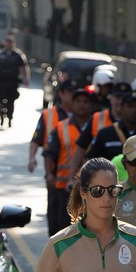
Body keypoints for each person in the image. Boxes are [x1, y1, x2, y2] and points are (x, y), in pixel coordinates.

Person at [42, 88, 93, 236]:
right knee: (59, 227)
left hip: (91, 189)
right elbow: (49, 153)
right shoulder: (61, 127)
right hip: (63, 188)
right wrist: (49, 176)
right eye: (78, 101)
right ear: (73, 104)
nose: (82, 105)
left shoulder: (96, 126)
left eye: (85, 102)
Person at [0, 35, 28, 128]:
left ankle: (9, 118)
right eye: (8, 42)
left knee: (11, 101)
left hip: (13, 82)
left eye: (11, 42)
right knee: (0, 99)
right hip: (1, 82)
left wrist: (26, 78)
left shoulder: (18, 55)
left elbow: (24, 66)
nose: (9, 44)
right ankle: (1, 115)